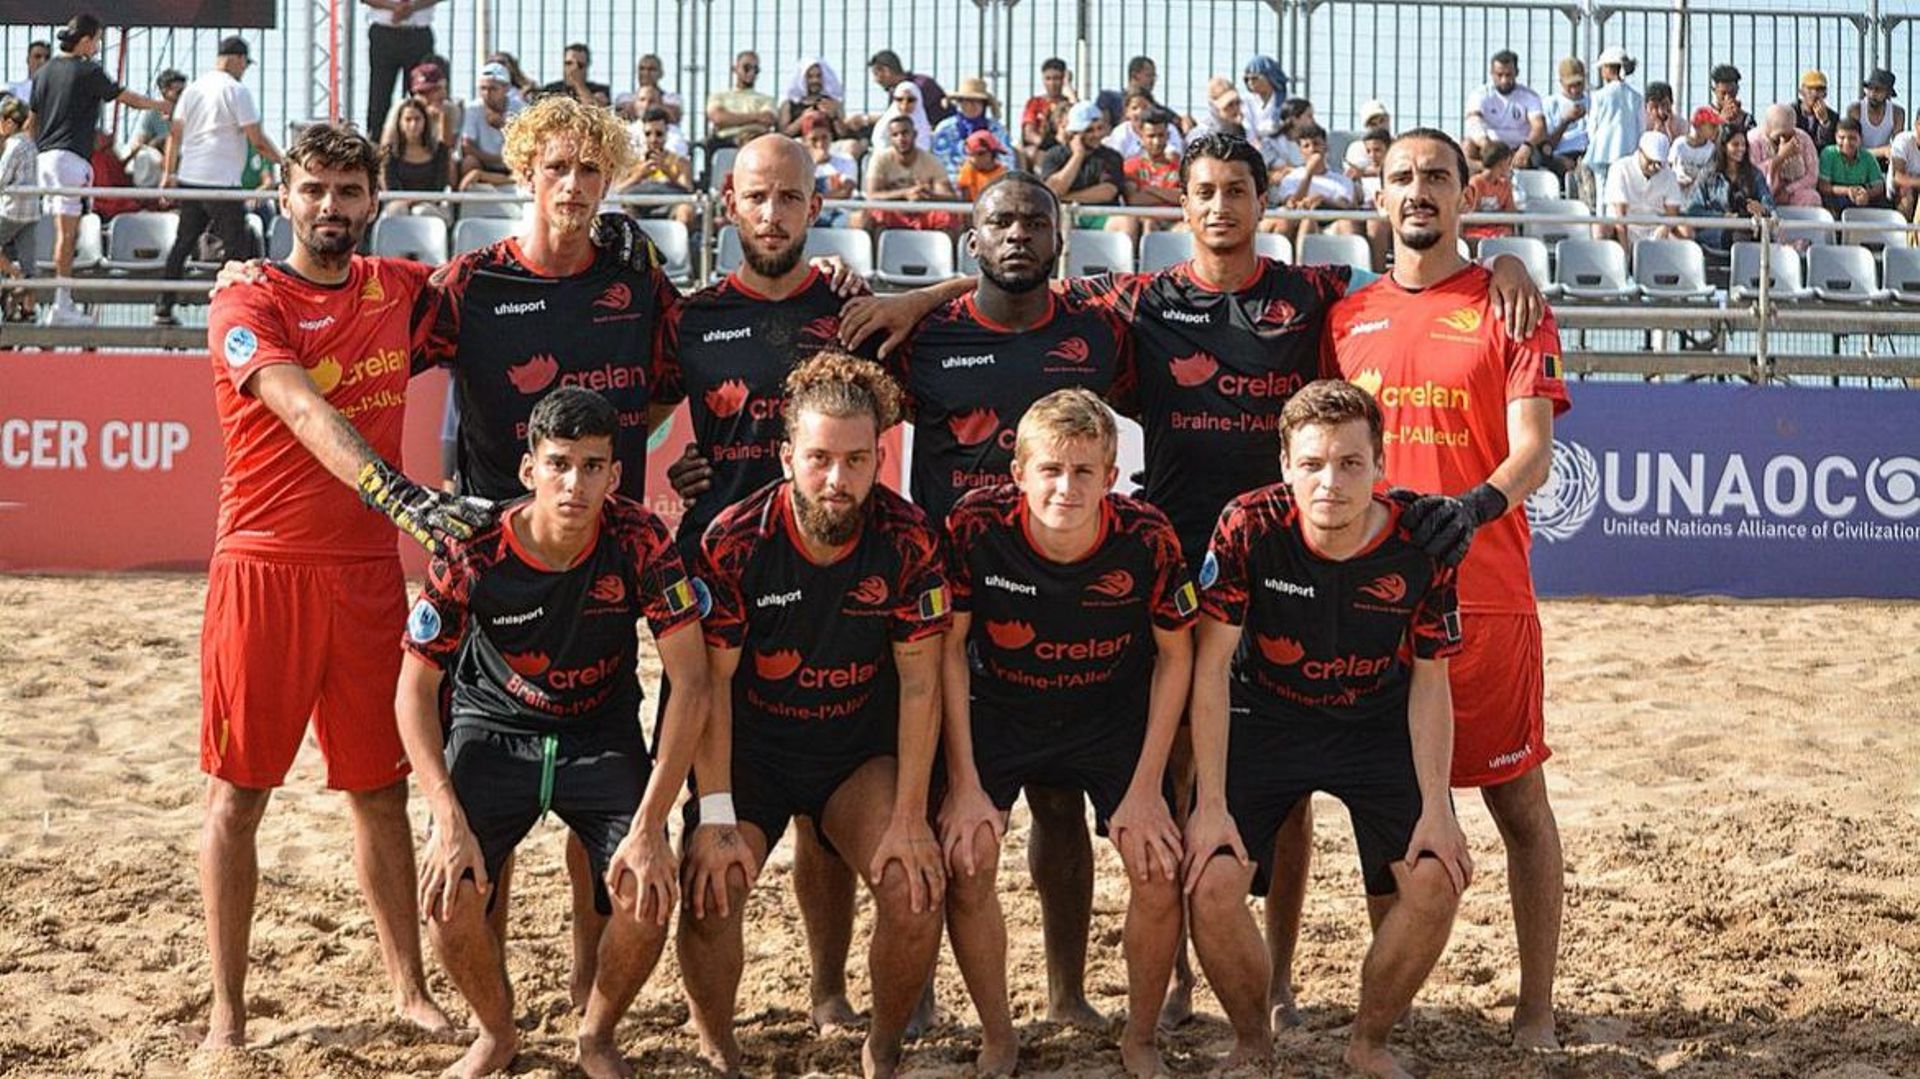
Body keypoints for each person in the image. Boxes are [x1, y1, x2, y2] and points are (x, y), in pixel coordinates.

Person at [842, 131, 1536, 1029]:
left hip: (1285, 561)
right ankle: (1165, 984)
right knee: (1175, 778)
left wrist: (1506, 261)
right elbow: (1021, 285)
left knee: (1279, 795)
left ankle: (1279, 979)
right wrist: (930, 292)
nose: (1220, 207)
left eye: (1237, 190)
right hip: (1166, 572)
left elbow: (1417, 268)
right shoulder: (1141, 300)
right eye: (1204, 191)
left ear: (1261, 202)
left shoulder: (1310, 292)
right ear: (1183, 205)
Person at [200, 119, 485, 1052]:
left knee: (379, 791)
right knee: (238, 799)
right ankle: (227, 1012)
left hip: (366, 576)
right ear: (284, 196)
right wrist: (399, 494)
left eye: (348, 191)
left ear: (374, 202)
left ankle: (408, 988)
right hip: (263, 567)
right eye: (313, 188)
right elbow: (300, 407)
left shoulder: (399, 291)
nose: (331, 207)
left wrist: (609, 240)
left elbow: (518, 294)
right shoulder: (247, 297)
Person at [1329, 126, 1571, 1052]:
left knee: (1517, 803)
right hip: (1373, 602)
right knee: (1390, 807)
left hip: (1488, 589)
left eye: (1437, 176)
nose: (1418, 190)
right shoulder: (1346, 318)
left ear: (1467, 197)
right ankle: (1401, 996)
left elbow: (1534, 452)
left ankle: (1536, 1005)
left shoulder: (1509, 305)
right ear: (1379, 199)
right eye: (1401, 177)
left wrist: (1471, 509)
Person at [397, 386, 711, 1079]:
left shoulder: (639, 537)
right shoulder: (473, 547)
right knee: (448, 891)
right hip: (494, 728)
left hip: (598, 732)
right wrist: (445, 816)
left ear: (616, 475)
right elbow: (414, 690)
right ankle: (497, 1031)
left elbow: (691, 680)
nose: (575, 483)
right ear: (529, 469)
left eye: (593, 465)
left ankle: (596, 1035)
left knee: (648, 885)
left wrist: (654, 822)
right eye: (560, 463)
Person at [1185, 379, 1471, 1078]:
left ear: (1380, 463)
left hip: (1373, 716)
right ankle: (1253, 1039)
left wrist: (1438, 806)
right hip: (1268, 713)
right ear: (1285, 464)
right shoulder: (1248, 525)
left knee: (1438, 878)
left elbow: (1431, 680)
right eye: (1312, 464)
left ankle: (1368, 1040)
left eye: (1350, 463)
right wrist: (1211, 803)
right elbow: (1211, 668)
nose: (1330, 482)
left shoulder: (1423, 539)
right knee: (1210, 883)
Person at [677, 352, 949, 1079]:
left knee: (914, 885)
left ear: (879, 456)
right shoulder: (732, 542)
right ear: (786, 454)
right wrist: (716, 812)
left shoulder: (910, 538)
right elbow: (707, 689)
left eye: (857, 459)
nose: (838, 479)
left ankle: (882, 1047)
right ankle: (718, 1047)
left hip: (855, 753)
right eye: (820, 458)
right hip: (751, 753)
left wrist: (913, 814)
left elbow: (923, 685)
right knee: (711, 886)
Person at [654, 133, 874, 1035]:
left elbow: (978, 306)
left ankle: (827, 990)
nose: (773, 215)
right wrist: (681, 476)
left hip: (837, 592)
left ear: (814, 207)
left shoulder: (855, 314)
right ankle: (714, 1028)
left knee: (826, 820)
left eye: (790, 198)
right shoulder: (693, 319)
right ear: (730, 206)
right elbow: (623, 417)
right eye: (757, 198)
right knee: (712, 817)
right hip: (718, 598)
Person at [940, 389, 1195, 1078]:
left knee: (1157, 867)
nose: (1066, 486)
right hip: (1003, 710)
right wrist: (963, 783)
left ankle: (1140, 1037)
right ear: (1017, 472)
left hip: (1109, 715)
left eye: (1085, 472)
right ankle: (1000, 1035)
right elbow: (945, 649)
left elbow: (1178, 656)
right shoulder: (973, 525)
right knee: (966, 858)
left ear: (1112, 478)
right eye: (1051, 469)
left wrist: (1146, 788)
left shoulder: (1148, 536)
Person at [28, 13, 173, 326]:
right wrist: (159, 106)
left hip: (45, 160)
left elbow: (31, 122)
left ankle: (56, 301)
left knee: (59, 234)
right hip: (70, 160)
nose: (97, 48)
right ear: (84, 41)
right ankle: (61, 305)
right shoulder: (88, 70)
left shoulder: (44, 72)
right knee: (68, 235)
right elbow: (127, 98)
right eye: (96, 41)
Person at [155, 37, 282, 326]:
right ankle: (233, 311)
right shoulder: (237, 91)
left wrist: (168, 173)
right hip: (222, 183)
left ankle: (163, 306)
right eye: (245, 64)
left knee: (183, 243)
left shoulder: (193, 90)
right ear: (237, 59)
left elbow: (174, 134)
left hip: (190, 178)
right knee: (236, 248)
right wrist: (286, 162)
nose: (244, 70)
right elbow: (257, 140)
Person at [1039, 101, 1130, 232]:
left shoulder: (1112, 157)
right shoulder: (1053, 156)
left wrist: (1066, 198)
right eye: (1089, 130)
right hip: (1064, 217)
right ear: (1074, 133)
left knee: (1126, 222)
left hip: (1100, 216)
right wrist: (1077, 156)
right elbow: (1053, 189)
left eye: (1100, 128)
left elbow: (1107, 192)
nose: (1097, 135)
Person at [1683, 125, 1772, 257]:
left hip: (1749, 231)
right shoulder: (1708, 175)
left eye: (1743, 144)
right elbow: (1693, 210)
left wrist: (1763, 210)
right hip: (1718, 234)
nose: (1741, 149)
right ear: (1724, 146)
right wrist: (1723, 218)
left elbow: (1769, 203)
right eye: (1735, 144)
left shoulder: (1755, 175)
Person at [863, 114, 961, 234]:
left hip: (924, 212)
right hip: (894, 212)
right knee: (874, 215)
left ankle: (945, 252)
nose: (901, 138)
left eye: (905, 133)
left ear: (914, 134)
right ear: (890, 138)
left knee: (947, 217)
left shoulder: (930, 160)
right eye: (895, 135)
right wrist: (906, 193)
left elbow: (950, 197)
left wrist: (927, 194)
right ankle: (878, 252)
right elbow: (872, 195)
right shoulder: (880, 159)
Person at [360, 0, 443, 140]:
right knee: (379, 97)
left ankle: (422, 148)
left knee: (421, 96)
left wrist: (412, 7)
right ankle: (376, 148)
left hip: (418, 34)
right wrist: (393, 7)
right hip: (384, 32)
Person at [1602, 130, 1685, 248]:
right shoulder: (1619, 168)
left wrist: (1665, 228)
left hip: (1656, 228)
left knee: (1686, 231)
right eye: (1650, 161)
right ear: (1640, 152)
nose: (1654, 167)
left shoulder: (1669, 174)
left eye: (1659, 163)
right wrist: (1625, 255)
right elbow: (1620, 216)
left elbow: (1672, 212)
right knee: (1600, 229)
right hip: (1625, 226)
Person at [618, 107, 697, 229]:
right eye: (648, 134)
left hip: (671, 206)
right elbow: (617, 190)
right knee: (622, 215)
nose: (653, 139)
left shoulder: (681, 162)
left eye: (659, 134)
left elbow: (688, 190)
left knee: (686, 211)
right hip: (637, 207)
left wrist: (667, 171)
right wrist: (639, 176)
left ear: (667, 134)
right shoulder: (632, 163)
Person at [1583, 47, 1643, 206]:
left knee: (1602, 192)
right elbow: (1640, 127)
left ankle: (1603, 226)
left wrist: (1592, 142)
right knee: (1624, 192)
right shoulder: (1636, 97)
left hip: (1602, 151)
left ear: (1609, 68)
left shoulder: (1600, 95)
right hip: (1627, 152)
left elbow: (1592, 126)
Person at [1465, 49, 1546, 168]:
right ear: (1491, 73)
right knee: (1467, 147)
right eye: (1499, 75)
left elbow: (1539, 127)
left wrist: (1527, 146)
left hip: (1518, 149)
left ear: (1516, 72)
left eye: (1509, 75)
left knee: (1529, 158)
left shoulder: (1529, 96)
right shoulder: (1480, 94)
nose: (1504, 80)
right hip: (1489, 147)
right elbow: (1473, 122)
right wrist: (1487, 145)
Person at [380, 96, 455, 222]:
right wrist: (410, 202)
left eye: (417, 119)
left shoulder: (439, 151)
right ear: (400, 122)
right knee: (396, 210)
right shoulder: (390, 153)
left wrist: (416, 201)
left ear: (425, 121)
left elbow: (440, 187)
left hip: (430, 207)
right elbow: (390, 188)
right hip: (398, 205)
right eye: (408, 120)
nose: (413, 124)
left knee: (422, 212)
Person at [0, 94, 38, 322]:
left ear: (9, 123)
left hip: (13, 211)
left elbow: (1, 179)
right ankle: (29, 309)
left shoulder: (13, 146)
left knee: (22, 267)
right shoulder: (30, 144)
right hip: (31, 212)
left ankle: (17, 276)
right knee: (29, 259)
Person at [933, 77, 1017, 176]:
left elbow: (1007, 162)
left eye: (977, 101)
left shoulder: (997, 129)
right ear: (960, 103)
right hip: (952, 184)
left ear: (984, 105)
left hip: (991, 183)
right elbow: (939, 161)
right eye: (967, 101)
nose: (972, 106)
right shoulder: (945, 129)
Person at [458, 61, 521, 188]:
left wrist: (505, 126)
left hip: (514, 164)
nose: (487, 94)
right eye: (483, 89)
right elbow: (467, 147)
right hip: (486, 163)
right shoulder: (473, 109)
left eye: (492, 89)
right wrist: (497, 159)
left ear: (506, 88)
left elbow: (529, 144)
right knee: (469, 162)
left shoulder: (520, 108)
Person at [1749, 103, 1821, 208]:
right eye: (1779, 136)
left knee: (1812, 197)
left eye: (1788, 135)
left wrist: (1788, 190)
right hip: (1764, 192)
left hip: (1793, 193)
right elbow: (1753, 174)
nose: (1783, 140)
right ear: (1768, 127)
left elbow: (1812, 175)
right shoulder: (1753, 140)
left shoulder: (1803, 138)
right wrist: (1780, 158)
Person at [123, 67, 185, 187]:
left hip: (184, 152)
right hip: (160, 155)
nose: (182, 95)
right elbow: (141, 141)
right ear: (164, 91)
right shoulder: (153, 113)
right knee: (144, 156)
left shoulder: (188, 109)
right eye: (178, 92)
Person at [1122, 111, 1182, 234]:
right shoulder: (1131, 165)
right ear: (1141, 136)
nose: (1157, 141)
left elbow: (1182, 198)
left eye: (1161, 135)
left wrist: (1150, 189)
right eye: (1151, 136)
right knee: (1149, 224)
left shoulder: (1180, 168)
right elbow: (1134, 199)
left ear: (1168, 136)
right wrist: (1169, 196)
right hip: (1144, 224)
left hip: (1174, 223)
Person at [1819, 117, 1893, 216]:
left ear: (1860, 139)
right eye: (1842, 138)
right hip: (1837, 194)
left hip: (1861, 193)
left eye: (1852, 138)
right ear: (1835, 137)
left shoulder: (1868, 157)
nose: (1846, 143)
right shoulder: (1828, 153)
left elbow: (1879, 186)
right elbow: (1823, 186)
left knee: (1884, 204)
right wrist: (1848, 191)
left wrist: (1867, 194)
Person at [706, 51, 777, 149]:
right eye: (747, 68)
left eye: (755, 69)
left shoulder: (767, 99)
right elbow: (718, 118)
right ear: (735, 69)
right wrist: (756, 117)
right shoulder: (719, 96)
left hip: (757, 141)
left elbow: (768, 119)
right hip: (726, 142)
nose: (751, 73)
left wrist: (730, 119)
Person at [864, 49, 949, 128]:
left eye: (876, 74)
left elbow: (904, 118)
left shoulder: (919, 86)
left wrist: (867, 120)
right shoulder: (896, 90)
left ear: (886, 71)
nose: (875, 80)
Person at [1463, 140, 1522, 242]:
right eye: (1508, 163)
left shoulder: (1506, 185)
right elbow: (1471, 215)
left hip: (1498, 231)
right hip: (1476, 232)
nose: (1509, 167)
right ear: (1500, 163)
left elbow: (1510, 212)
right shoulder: (1475, 183)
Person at [1105, 89, 1186, 163]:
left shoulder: (1167, 128)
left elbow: (1174, 157)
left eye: (1145, 107)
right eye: (1134, 108)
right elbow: (1114, 161)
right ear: (1127, 112)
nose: (1140, 112)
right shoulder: (1121, 132)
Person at [1541, 57, 1589, 181]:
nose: (1575, 90)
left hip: (1587, 154)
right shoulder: (1550, 104)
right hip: (1560, 154)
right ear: (1561, 82)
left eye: (1579, 84)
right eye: (1570, 86)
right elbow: (1548, 145)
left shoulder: (1593, 102)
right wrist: (1566, 121)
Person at [778, 56, 848, 139]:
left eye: (818, 76)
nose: (815, 80)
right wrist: (803, 118)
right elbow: (783, 135)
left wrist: (834, 117)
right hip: (797, 147)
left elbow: (844, 134)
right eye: (810, 77)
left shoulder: (834, 103)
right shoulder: (788, 104)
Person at [1021, 58, 1074, 163]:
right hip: (1042, 147)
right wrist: (1048, 145)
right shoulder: (1035, 103)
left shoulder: (1070, 103)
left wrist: (1069, 88)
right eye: (1048, 79)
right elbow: (1029, 133)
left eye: (1057, 78)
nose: (1052, 83)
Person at [1848, 69, 1904, 166]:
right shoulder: (1855, 110)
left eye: (1878, 89)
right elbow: (1851, 147)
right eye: (1869, 88)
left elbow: (1897, 147)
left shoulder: (1897, 113)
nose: (1872, 94)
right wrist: (1882, 151)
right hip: (1858, 161)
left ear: (1888, 93)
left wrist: (1888, 153)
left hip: (1884, 161)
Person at [1240, 56, 1290, 151]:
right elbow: (1247, 129)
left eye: (1255, 78)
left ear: (1269, 77)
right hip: (1257, 150)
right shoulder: (1246, 101)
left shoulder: (1289, 99)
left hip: (1286, 151)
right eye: (1247, 79)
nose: (1250, 82)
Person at [1668, 106, 1722, 194]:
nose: (1716, 129)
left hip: (1698, 198)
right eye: (1712, 126)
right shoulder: (1679, 145)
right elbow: (1669, 167)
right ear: (1699, 125)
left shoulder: (1711, 149)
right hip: (1677, 195)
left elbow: (1710, 177)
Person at [540, 42, 611, 107]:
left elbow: (596, 111)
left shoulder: (600, 90)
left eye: (580, 65)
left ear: (587, 67)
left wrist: (578, 84)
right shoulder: (550, 90)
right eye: (569, 63)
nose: (573, 69)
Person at [626, 53, 683, 125]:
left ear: (661, 73)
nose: (646, 73)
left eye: (651, 69)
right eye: (642, 69)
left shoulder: (672, 98)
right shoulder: (626, 97)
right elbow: (623, 116)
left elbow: (674, 117)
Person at [955, 129, 1011, 200]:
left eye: (981, 153)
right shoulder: (968, 170)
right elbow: (965, 200)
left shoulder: (1003, 175)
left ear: (993, 153)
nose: (974, 159)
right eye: (970, 154)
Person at [1793, 69, 1839, 151]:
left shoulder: (1833, 117)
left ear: (1825, 93)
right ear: (1801, 92)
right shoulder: (1791, 112)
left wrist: (1824, 123)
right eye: (1810, 89)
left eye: (1819, 89)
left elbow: (1829, 148)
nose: (1815, 93)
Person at [1343, 100, 1391, 174]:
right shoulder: (1357, 148)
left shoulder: (1400, 145)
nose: (1379, 126)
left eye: (1382, 121)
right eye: (1373, 124)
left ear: (1388, 119)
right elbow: (1354, 172)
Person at [1885, 118, 1920, 219]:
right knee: (1905, 192)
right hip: (1898, 193)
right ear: (1917, 124)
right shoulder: (1903, 140)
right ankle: (1903, 233)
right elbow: (1898, 178)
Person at [1708, 63, 1751, 135]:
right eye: (1723, 93)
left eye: (1731, 93)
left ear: (1737, 90)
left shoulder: (1747, 119)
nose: (1727, 97)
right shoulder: (1704, 117)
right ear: (1714, 90)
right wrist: (1721, 120)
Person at [7, 38, 47, 104]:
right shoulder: (15, 91)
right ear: (28, 60)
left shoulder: (58, 91)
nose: (43, 61)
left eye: (47, 57)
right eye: (37, 57)